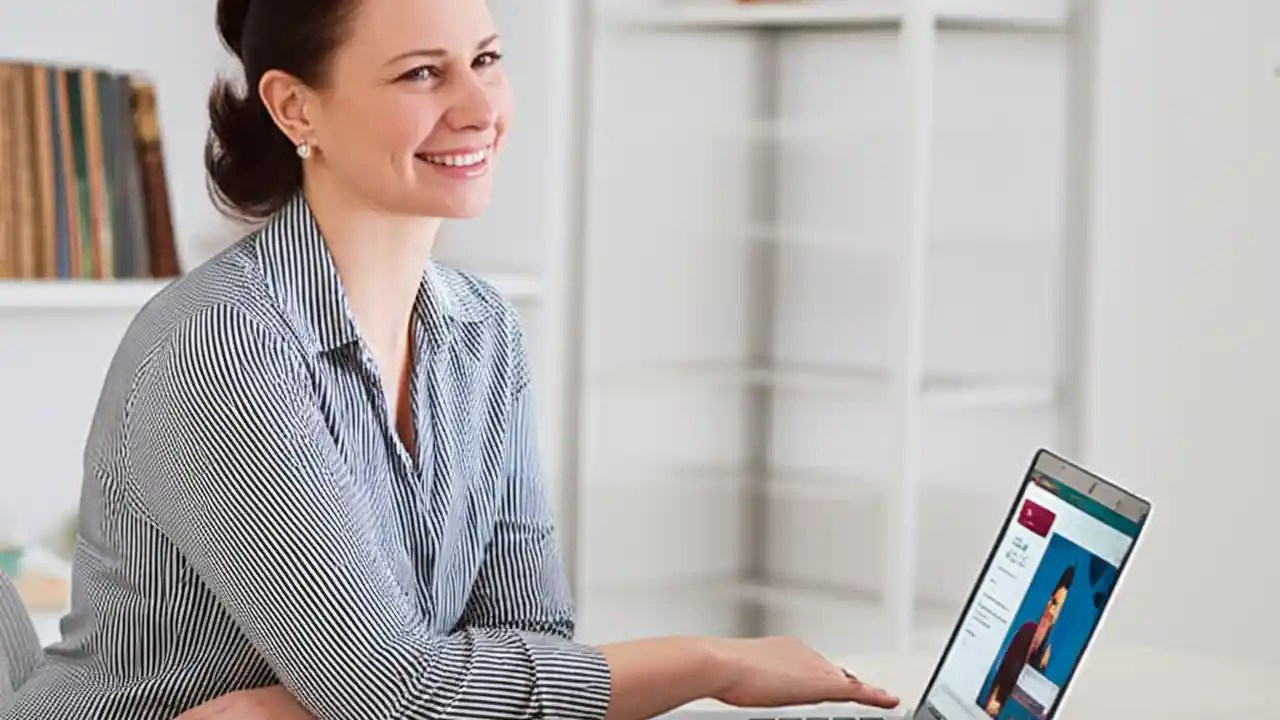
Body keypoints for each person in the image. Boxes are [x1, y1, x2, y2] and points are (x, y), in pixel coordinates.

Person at [0, 1, 901, 718]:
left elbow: (529, 639)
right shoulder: (223, 346)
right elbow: (402, 695)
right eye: (422, 73)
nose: (478, 109)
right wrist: (714, 664)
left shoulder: (482, 333)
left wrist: (301, 707)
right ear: (296, 107)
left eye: (486, 59)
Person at [980, 565, 1074, 717]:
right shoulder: (1027, 629)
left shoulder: (1051, 653)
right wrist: (991, 705)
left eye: (1058, 609)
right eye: (1053, 602)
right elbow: (1003, 670)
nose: (1052, 611)